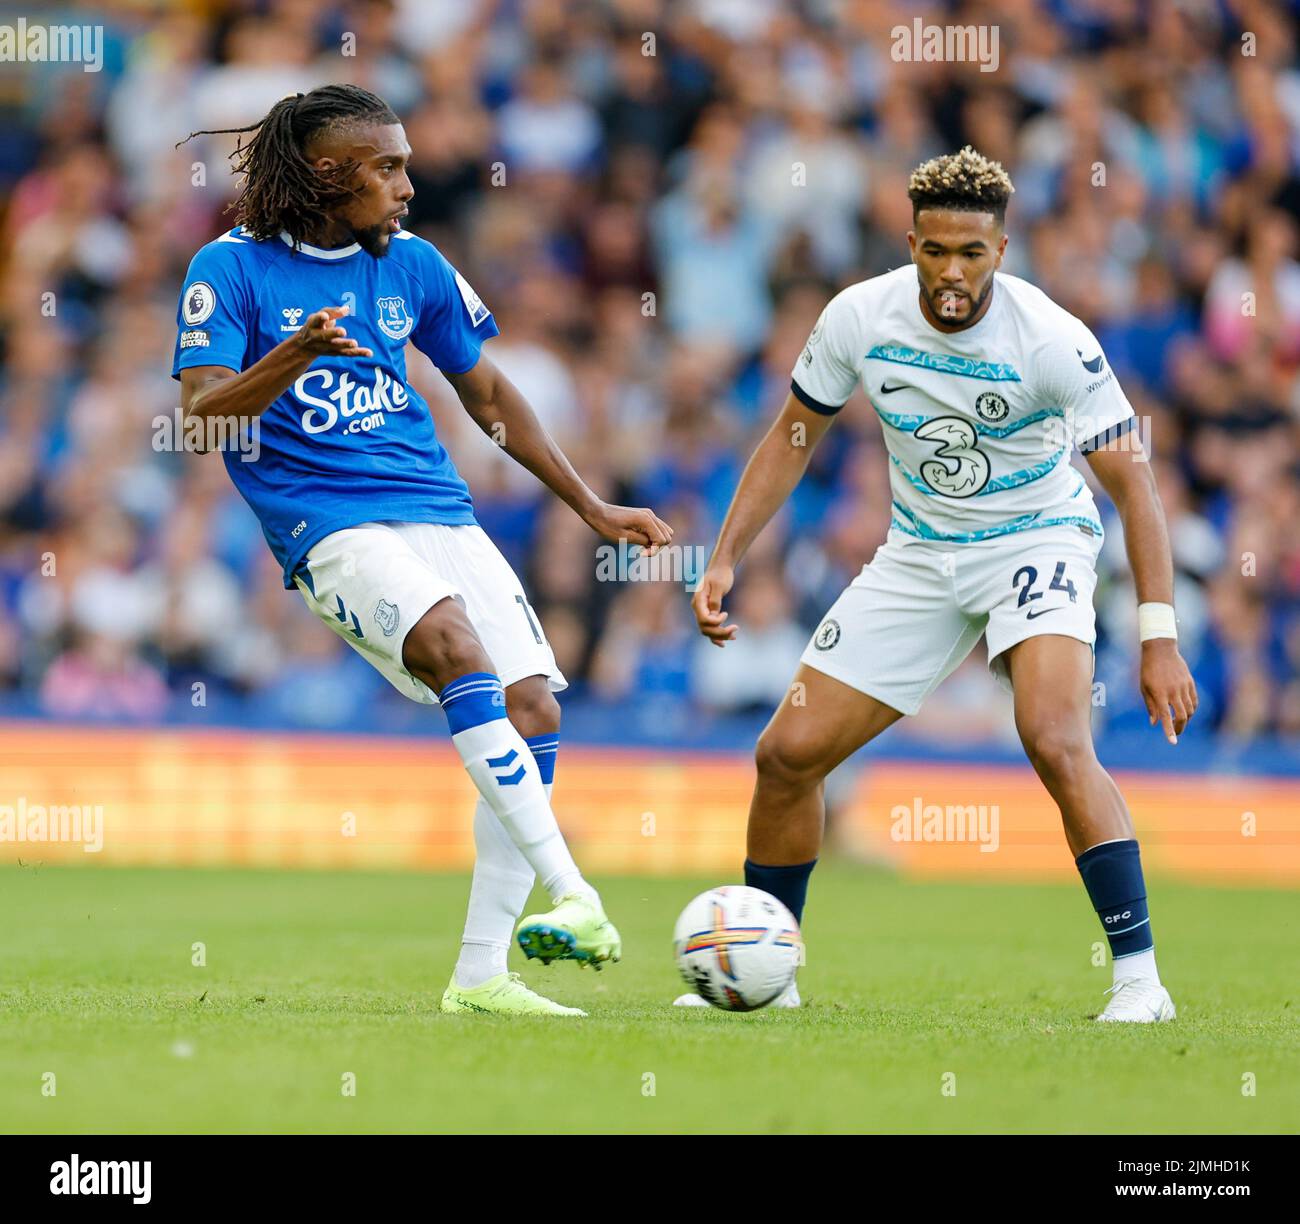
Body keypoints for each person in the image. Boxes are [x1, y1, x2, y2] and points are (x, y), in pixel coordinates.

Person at [174, 85, 673, 1017]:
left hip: (440, 512)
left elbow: (489, 396)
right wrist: (293, 356)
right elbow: (200, 421)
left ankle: (481, 978)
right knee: (454, 647)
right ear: (328, 174)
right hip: (329, 524)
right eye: (389, 167)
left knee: (533, 709)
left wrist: (591, 505)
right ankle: (577, 893)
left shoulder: (413, 265)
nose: (409, 184)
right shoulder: (228, 269)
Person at [683, 147, 1197, 1022]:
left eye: (972, 253)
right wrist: (727, 553)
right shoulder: (860, 316)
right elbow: (791, 437)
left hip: (1037, 541)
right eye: (934, 251)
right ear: (910, 240)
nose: (951, 272)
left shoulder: (1052, 339)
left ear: (1003, 250)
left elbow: (1134, 486)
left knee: (1052, 736)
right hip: (920, 555)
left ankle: (1140, 982)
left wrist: (1158, 633)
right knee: (785, 757)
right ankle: (771, 980)